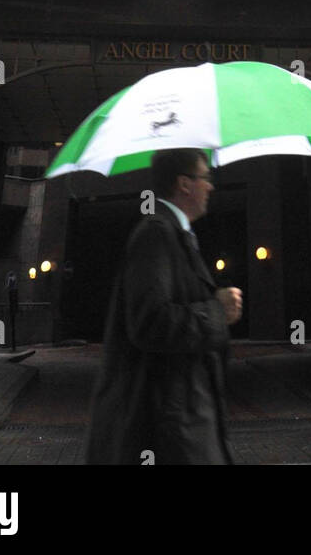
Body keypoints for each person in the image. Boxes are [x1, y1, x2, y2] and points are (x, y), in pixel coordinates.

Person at [85, 147, 242, 466]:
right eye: (205, 178)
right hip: (172, 426)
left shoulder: (175, 234)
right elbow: (150, 322)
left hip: (184, 417)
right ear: (184, 184)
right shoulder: (156, 234)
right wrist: (217, 311)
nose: (211, 186)